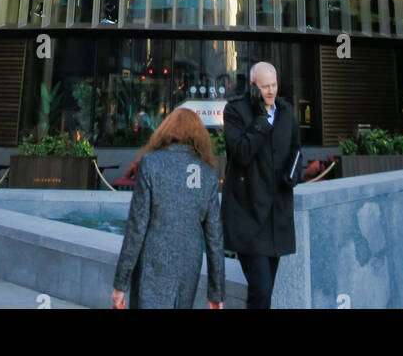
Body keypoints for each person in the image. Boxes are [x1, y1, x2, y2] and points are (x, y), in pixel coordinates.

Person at [111, 106, 225, 310]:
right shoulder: (207, 174)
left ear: (166, 130)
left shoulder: (150, 163)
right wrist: (216, 294)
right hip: (189, 266)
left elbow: (136, 229)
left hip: (153, 263)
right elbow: (215, 240)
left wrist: (121, 284)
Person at [221, 61, 302, 309]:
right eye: (265, 86)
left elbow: (296, 150)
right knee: (262, 288)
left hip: (276, 214)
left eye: (274, 85)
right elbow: (242, 153)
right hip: (248, 215)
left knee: (265, 291)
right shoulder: (235, 112)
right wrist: (263, 118)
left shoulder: (287, 111)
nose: (271, 91)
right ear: (253, 87)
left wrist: (293, 174)